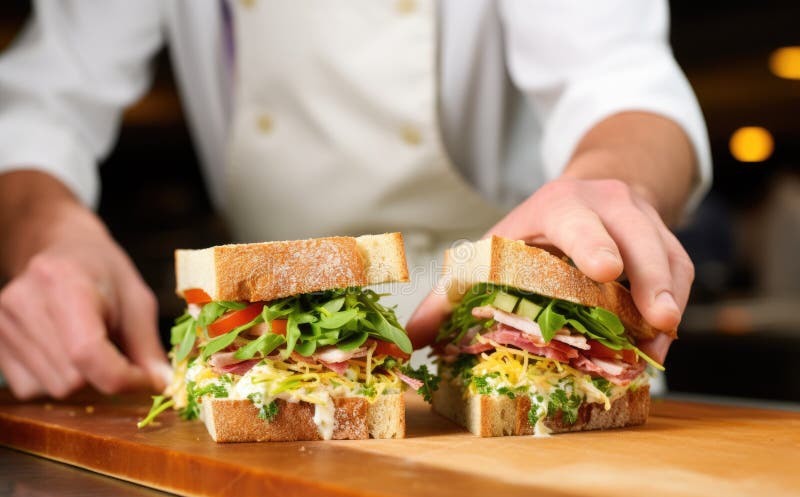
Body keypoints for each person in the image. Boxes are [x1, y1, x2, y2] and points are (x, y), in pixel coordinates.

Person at [0, 1, 710, 400]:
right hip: (263, 317)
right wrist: (47, 227)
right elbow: (38, 106)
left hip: (503, 300)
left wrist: (617, 178)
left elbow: (621, 81)